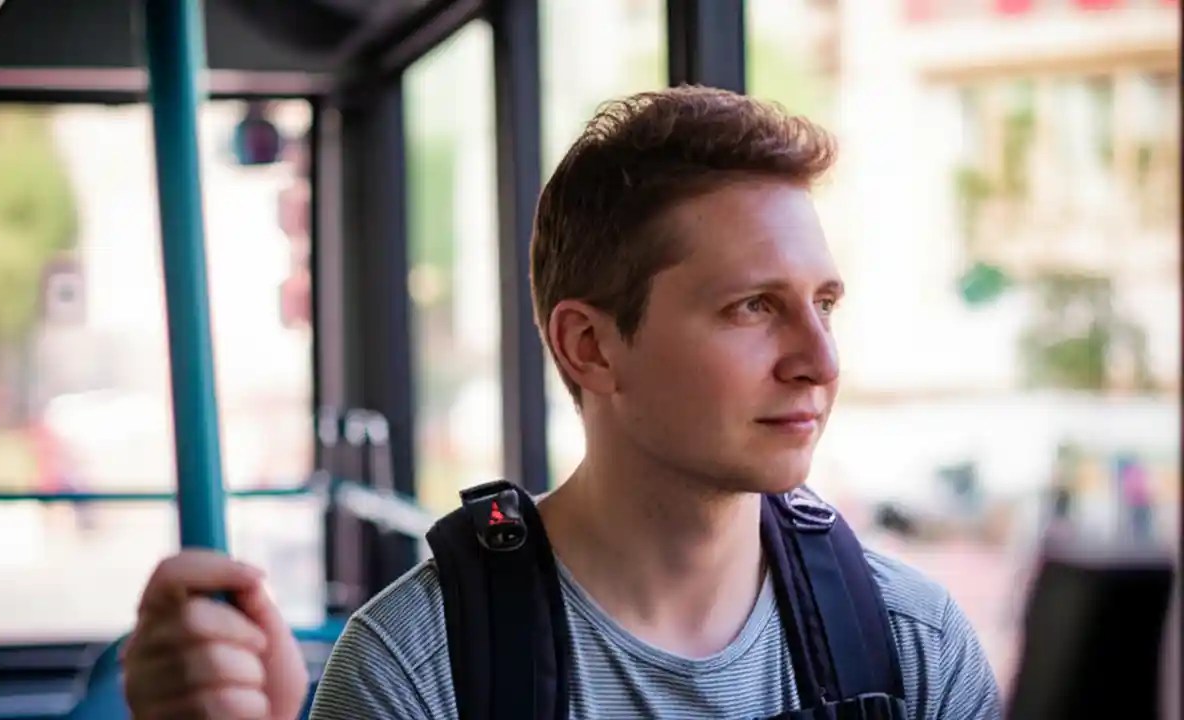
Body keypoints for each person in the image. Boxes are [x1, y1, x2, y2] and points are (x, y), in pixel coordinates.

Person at [120, 86, 1003, 719]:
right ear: (590, 346)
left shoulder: (909, 644)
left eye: (824, 304)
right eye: (753, 308)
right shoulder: (420, 671)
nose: (820, 361)